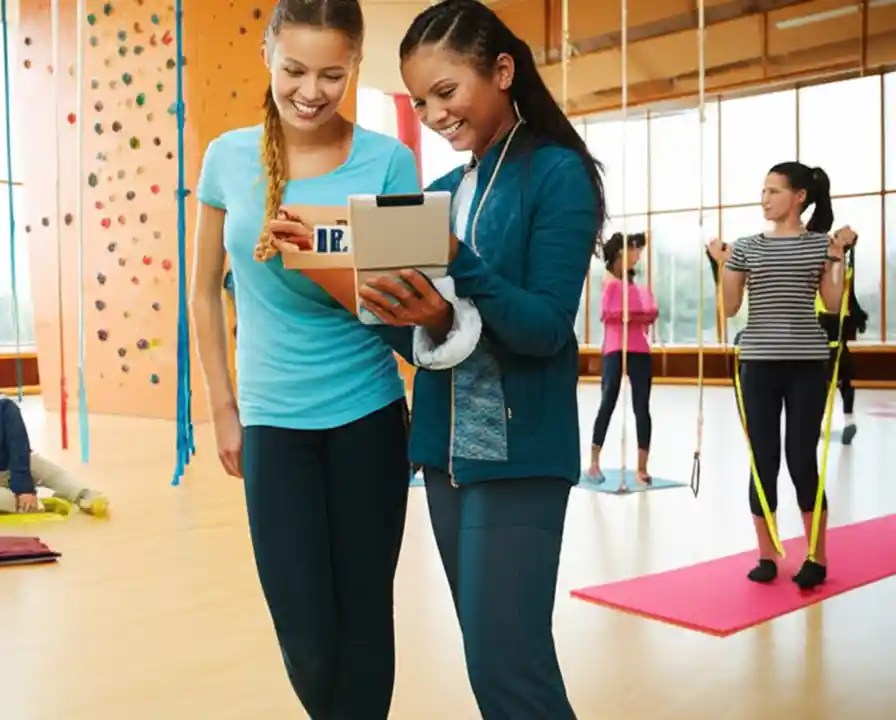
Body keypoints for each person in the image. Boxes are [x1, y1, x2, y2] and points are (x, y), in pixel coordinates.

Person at [307, 2, 605, 717]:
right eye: (419, 100)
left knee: (509, 665)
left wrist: (453, 262)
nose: (434, 114)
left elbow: (542, 330)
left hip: (522, 454)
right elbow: (417, 332)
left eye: (447, 92)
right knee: (489, 660)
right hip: (444, 458)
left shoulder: (557, 174)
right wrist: (315, 271)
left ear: (502, 71)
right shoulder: (439, 193)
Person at [188, 1, 422, 716]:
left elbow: (405, 311)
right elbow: (202, 294)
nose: (310, 91)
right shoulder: (226, 158)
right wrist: (224, 412)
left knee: (363, 623)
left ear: (355, 66)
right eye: (294, 69)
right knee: (308, 638)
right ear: (268, 56)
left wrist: (324, 250)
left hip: (368, 417)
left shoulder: (389, 160)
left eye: (332, 73)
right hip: (272, 424)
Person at [708, 162, 855, 590]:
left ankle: (817, 556)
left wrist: (837, 256)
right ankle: (767, 554)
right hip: (758, 364)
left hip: (807, 364)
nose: (765, 198)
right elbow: (730, 308)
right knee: (763, 461)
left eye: (774, 191)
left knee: (801, 459)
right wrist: (724, 265)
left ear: (799, 198)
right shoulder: (749, 247)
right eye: (764, 190)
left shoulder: (818, 246)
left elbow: (830, 304)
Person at [0, 356, 109, 517]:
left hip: (16, 465)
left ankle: (83, 495)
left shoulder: (6, 408)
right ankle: (27, 504)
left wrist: (24, 487)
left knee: (46, 469)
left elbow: (19, 448)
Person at [587, 232, 658, 486]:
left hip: (639, 348)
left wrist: (634, 315)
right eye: (634, 250)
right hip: (616, 348)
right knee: (608, 400)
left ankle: (642, 467)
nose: (637, 256)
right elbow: (608, 313)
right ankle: (594, 462)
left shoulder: (636, 287)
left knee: (642, 406)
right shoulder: (611, 283)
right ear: (620, 253)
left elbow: (651, 312)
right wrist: (634, 314)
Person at [816, 269, 867, 444]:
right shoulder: (839, 269)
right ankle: (848, 420)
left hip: (826, 328)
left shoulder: (839, 269)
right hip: (835, 329)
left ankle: (819, 424)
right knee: (842, 382)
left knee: (822, 383)